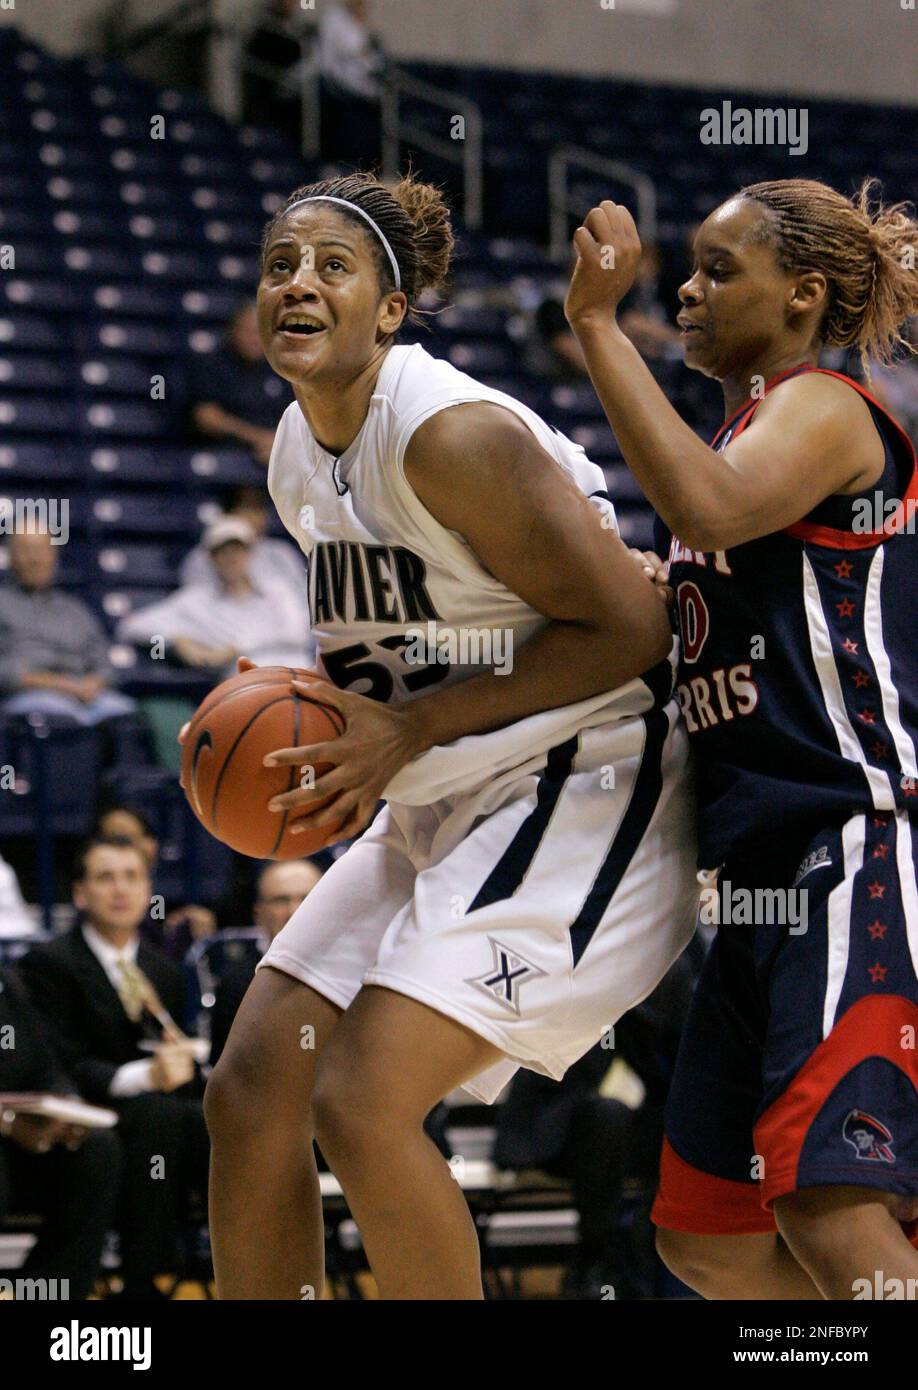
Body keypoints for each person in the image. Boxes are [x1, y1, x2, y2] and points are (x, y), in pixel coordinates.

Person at [201, 168, 700, 1301]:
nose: (298, 284)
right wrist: (312, 709)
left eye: (334, 266)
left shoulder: (449, 433)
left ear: (390, 309)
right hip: (444, 786)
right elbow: (410, 635)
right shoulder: (293, 448)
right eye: (281, 263)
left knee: (363, 1097)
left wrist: (409, 725)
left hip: (585, 780)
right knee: (250, 1090)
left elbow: (631, 631)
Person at [564, 178, 918, 1299]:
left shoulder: (824, 405)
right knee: (706, 1233)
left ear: (804, 295)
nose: (689, 290)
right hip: (756, 875)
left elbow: (712, 507)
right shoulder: (742, 436)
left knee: (828, 1191)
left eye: (722, 270)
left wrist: (593, 326)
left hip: (855, 843)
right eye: (694, 269)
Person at [18, 835, 209, 1300]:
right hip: (81, 1118)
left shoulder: (161, 969)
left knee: (203, 1116)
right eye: (105, 878)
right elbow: (59, 1064)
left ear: (149, 891)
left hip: (155, 1126)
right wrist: (149, 1076)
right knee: (160, 1116)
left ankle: (229, 1264)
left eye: (132, 877)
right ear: (80, 893)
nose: (120, 890)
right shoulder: (50, 963)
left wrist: (186, 1061)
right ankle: (144, 1281)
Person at [0, 964, 122, 1299]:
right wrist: (7, 1120)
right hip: (8, 1133)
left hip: (20, 1139)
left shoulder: (8, 985)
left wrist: (65, 1106)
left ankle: (49, 1290)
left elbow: (44, 1064)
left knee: (96, 1147)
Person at [117, 517, 311, 679]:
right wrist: (175, 641)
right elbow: (130, 627)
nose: (231, 558)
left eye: (238, 550)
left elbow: (299, 634)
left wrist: (232, 650)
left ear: (250, 554)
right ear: (211, 558)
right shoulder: (196, 601)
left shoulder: (278, 590)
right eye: (223, 552)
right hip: (246, 685)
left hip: (298, 673)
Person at [0, 531, 135, 726]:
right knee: (63, 718)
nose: (35, 559)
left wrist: (93, 684)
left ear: (54, 557)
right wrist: (59, 685)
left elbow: (105, 664)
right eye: (26, 550)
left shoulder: (75, 609)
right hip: (28, 697)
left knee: (125, 715)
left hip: (86, 698)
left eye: (42, 550)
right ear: (10, 557)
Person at [209, 859, 323, 1066]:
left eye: (308, 898)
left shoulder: (358, 973)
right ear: (258, 914)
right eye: (281, 900)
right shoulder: (235, 983)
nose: (294, 911)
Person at [95, 805, 217, 962]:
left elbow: (158, 946)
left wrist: (180, 927)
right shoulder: (95, 906)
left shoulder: (156, 901)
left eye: (126, 839)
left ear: (150, 846)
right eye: (112, 840)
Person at [185, 301, 290, 466]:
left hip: (276, 448)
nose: (254, 340)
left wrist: (281, 442)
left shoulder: (283, 368)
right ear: (233, 331)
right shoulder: (213, 365)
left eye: (260, 333)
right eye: (248, 332)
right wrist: (258, 438)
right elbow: (207, 418)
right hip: (226, 449)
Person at [179, 483, 309, 605]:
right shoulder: (202, 557)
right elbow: (194, 605)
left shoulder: (281, 553)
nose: (254, 517)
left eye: (259, 509)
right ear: (228, 514)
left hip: (281, 624)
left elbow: (303, 602)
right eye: (246, 509)